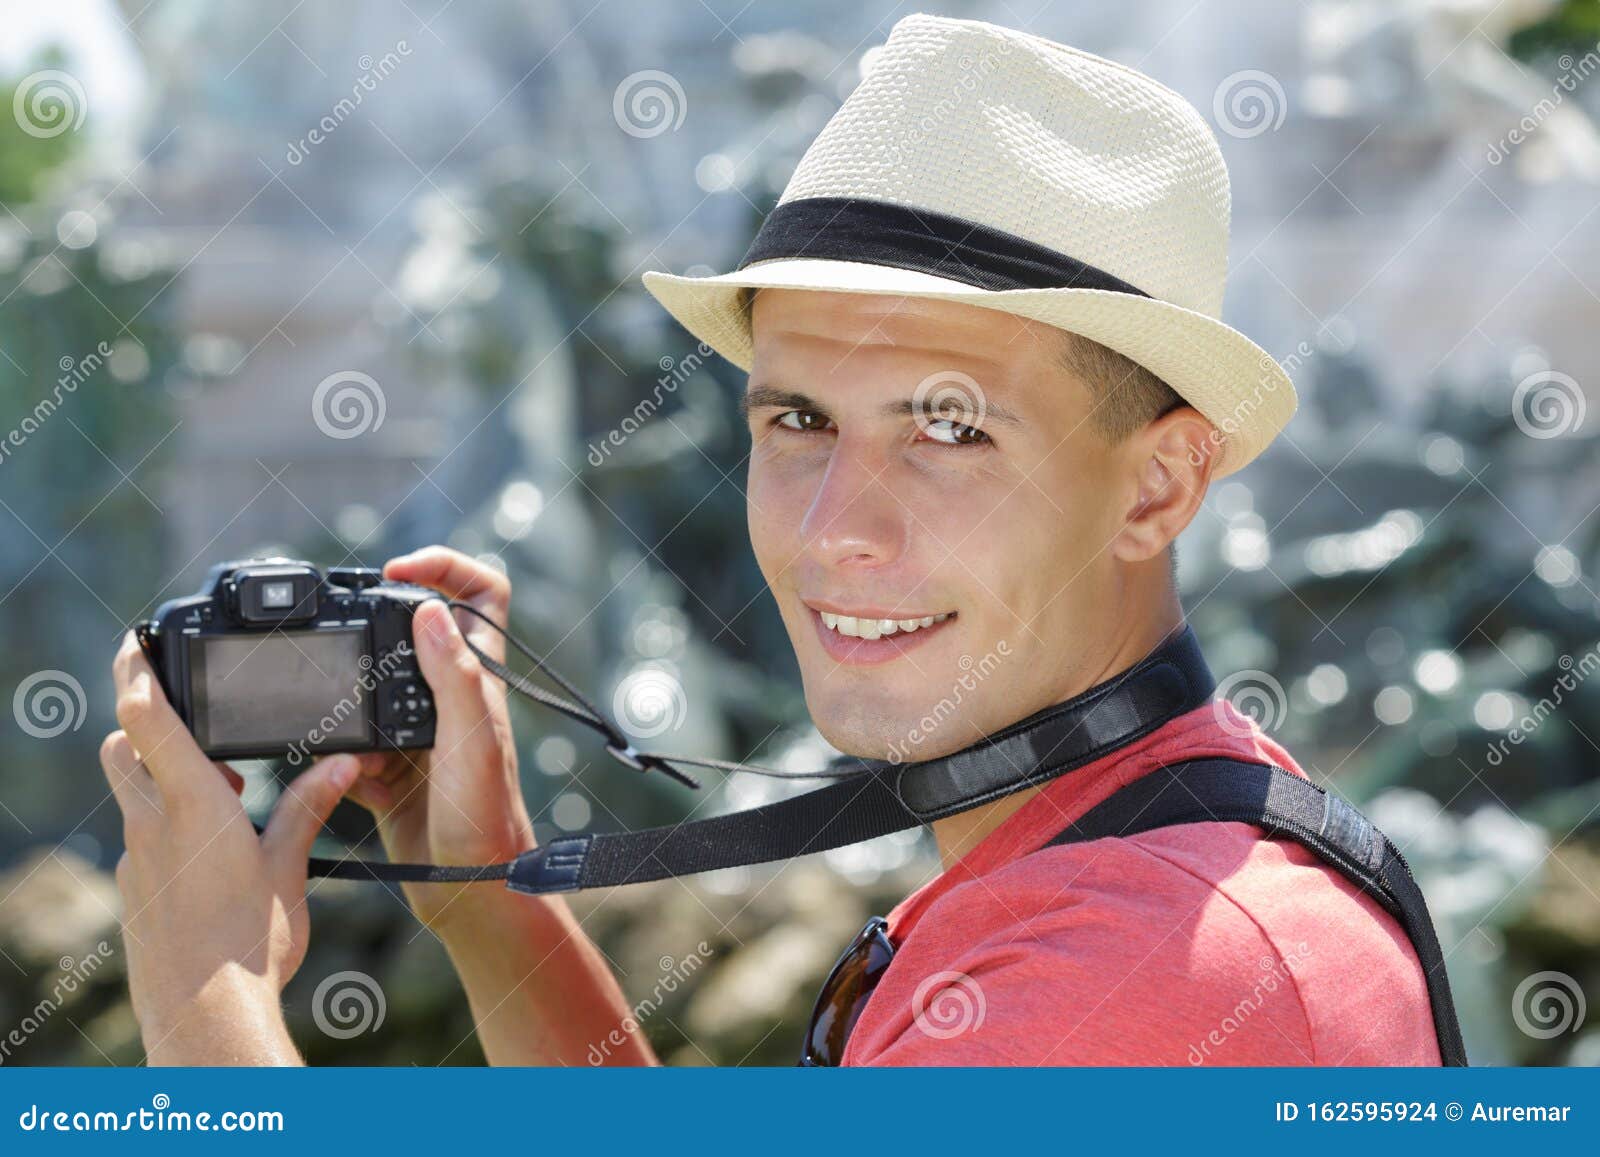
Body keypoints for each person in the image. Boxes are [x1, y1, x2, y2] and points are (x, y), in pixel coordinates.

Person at [100, 14, 1442, 1066]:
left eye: (951, 429)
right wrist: (490, 899)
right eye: (799, 418)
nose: (830, 528)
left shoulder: (1125, 987)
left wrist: (202, 1007)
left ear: (1158, 487)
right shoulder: (1163, 840)